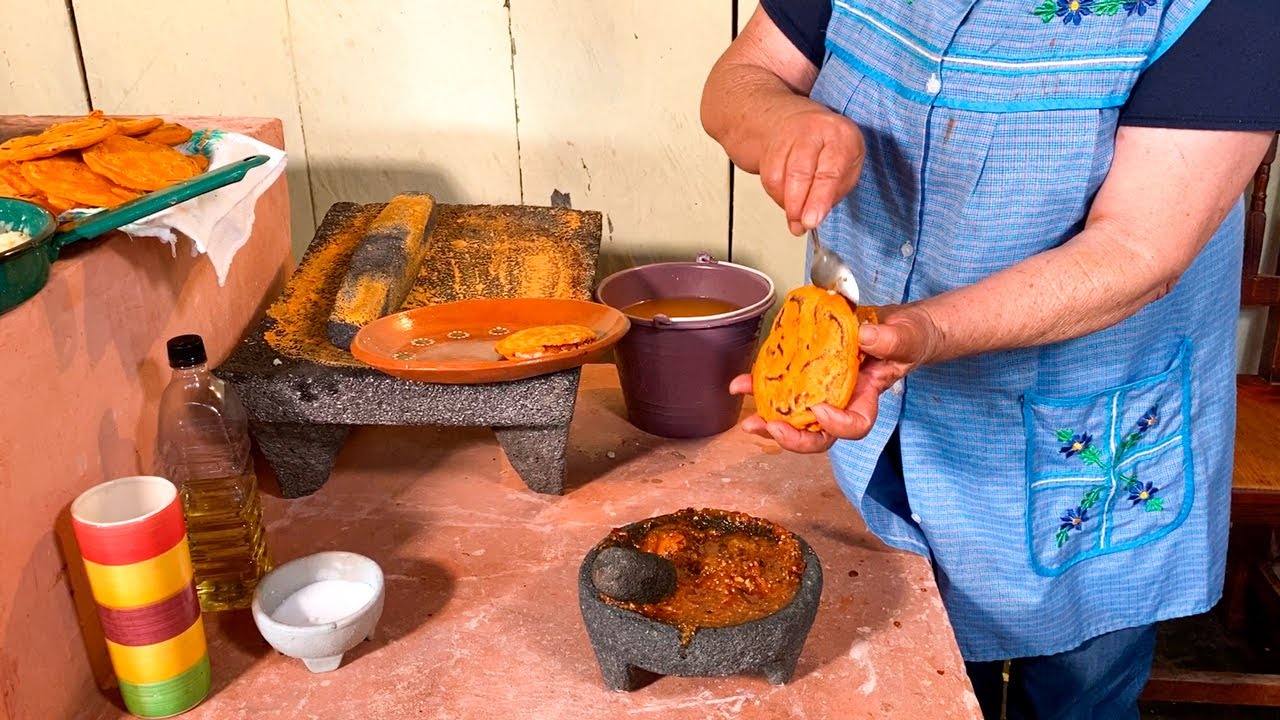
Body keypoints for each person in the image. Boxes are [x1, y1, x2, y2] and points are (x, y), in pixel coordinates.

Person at [700, 1, 1279, 718]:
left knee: (1079, 698)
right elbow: (742, 77)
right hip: (884, 428)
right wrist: (783, 121)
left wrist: (922, 332)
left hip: (1084, 456)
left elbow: (1137, 249)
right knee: (912, 689)